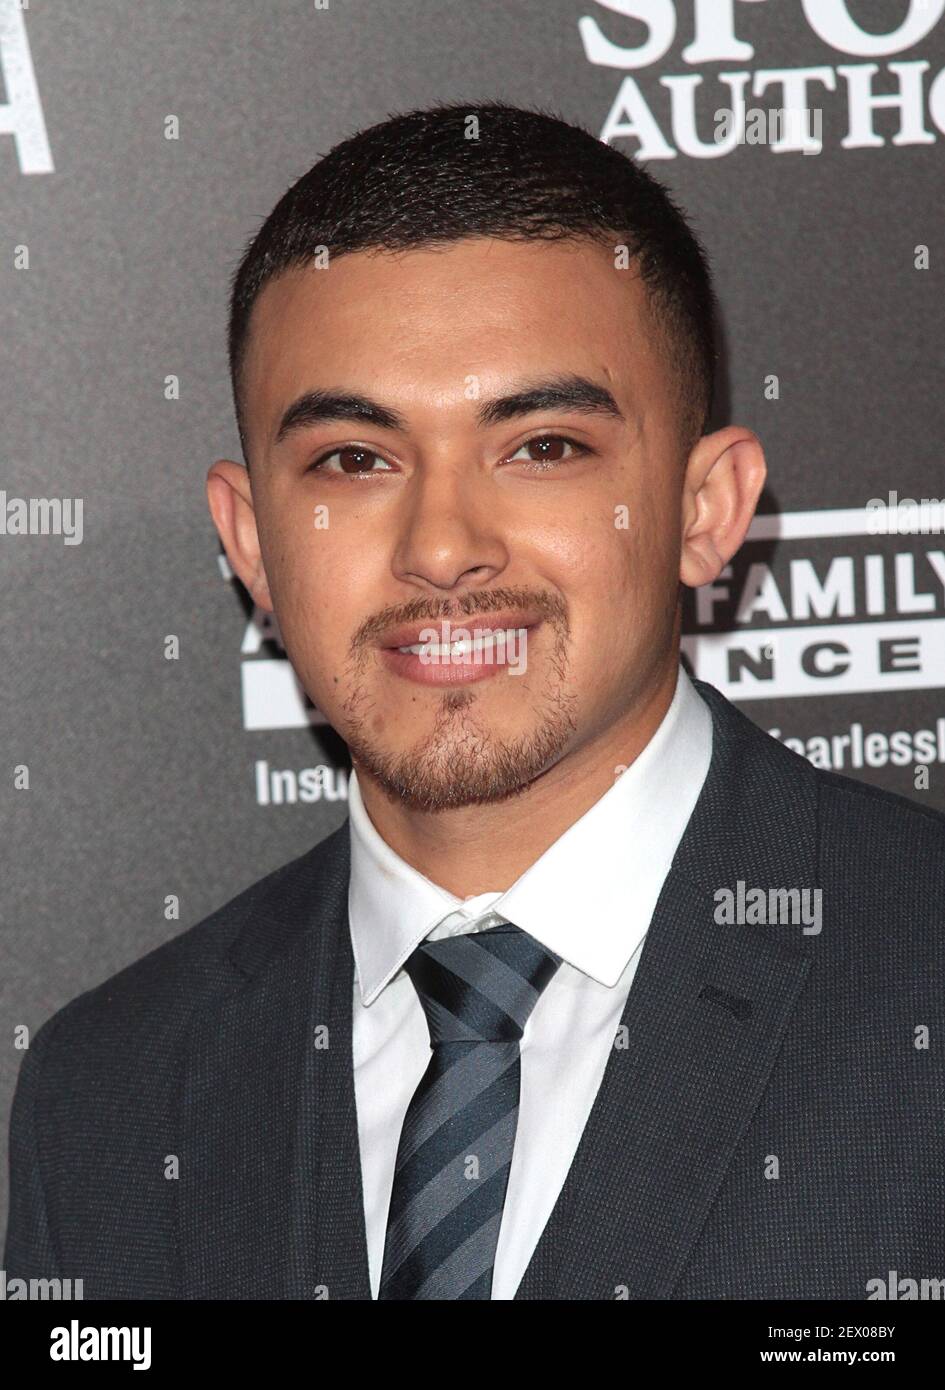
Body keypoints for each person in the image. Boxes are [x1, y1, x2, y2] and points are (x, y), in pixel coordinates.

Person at [5, 102, 944, 1301]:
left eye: (543, 447)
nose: (443, 548)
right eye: (355, 458)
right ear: (250, 541)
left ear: (707, 510)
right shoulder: (110, 1097)